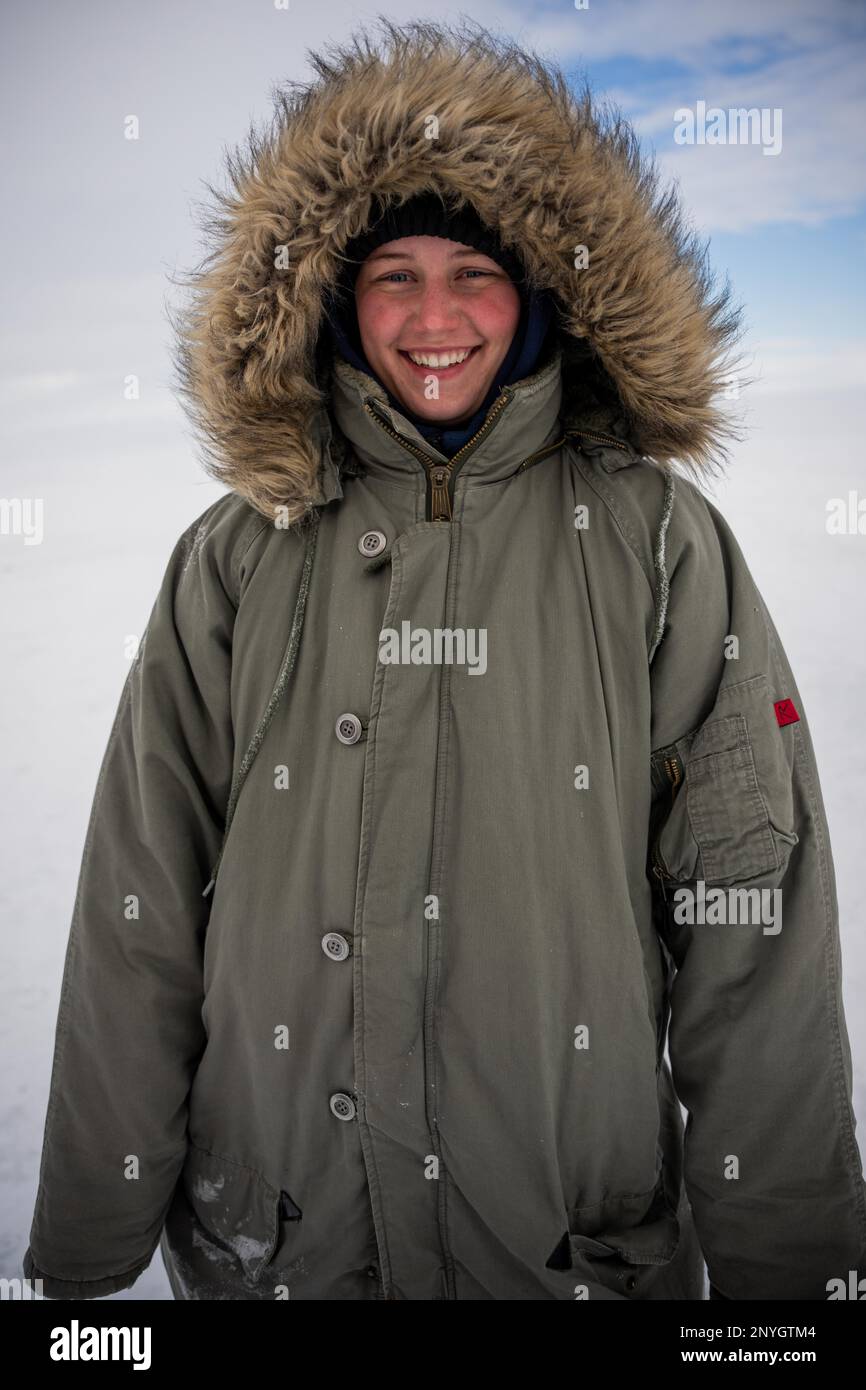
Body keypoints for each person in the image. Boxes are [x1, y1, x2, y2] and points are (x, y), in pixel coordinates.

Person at [23, 19, 865, 1302]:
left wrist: (790, 1279)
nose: (432, 317)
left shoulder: (655, 544)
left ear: (539, 290)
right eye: (391, 275)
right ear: (328, 298)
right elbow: (138, 905)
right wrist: (85, 1255)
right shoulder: (240, 557)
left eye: (473, 269)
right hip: (284, 1252)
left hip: (561, 1254)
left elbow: (750, 918)